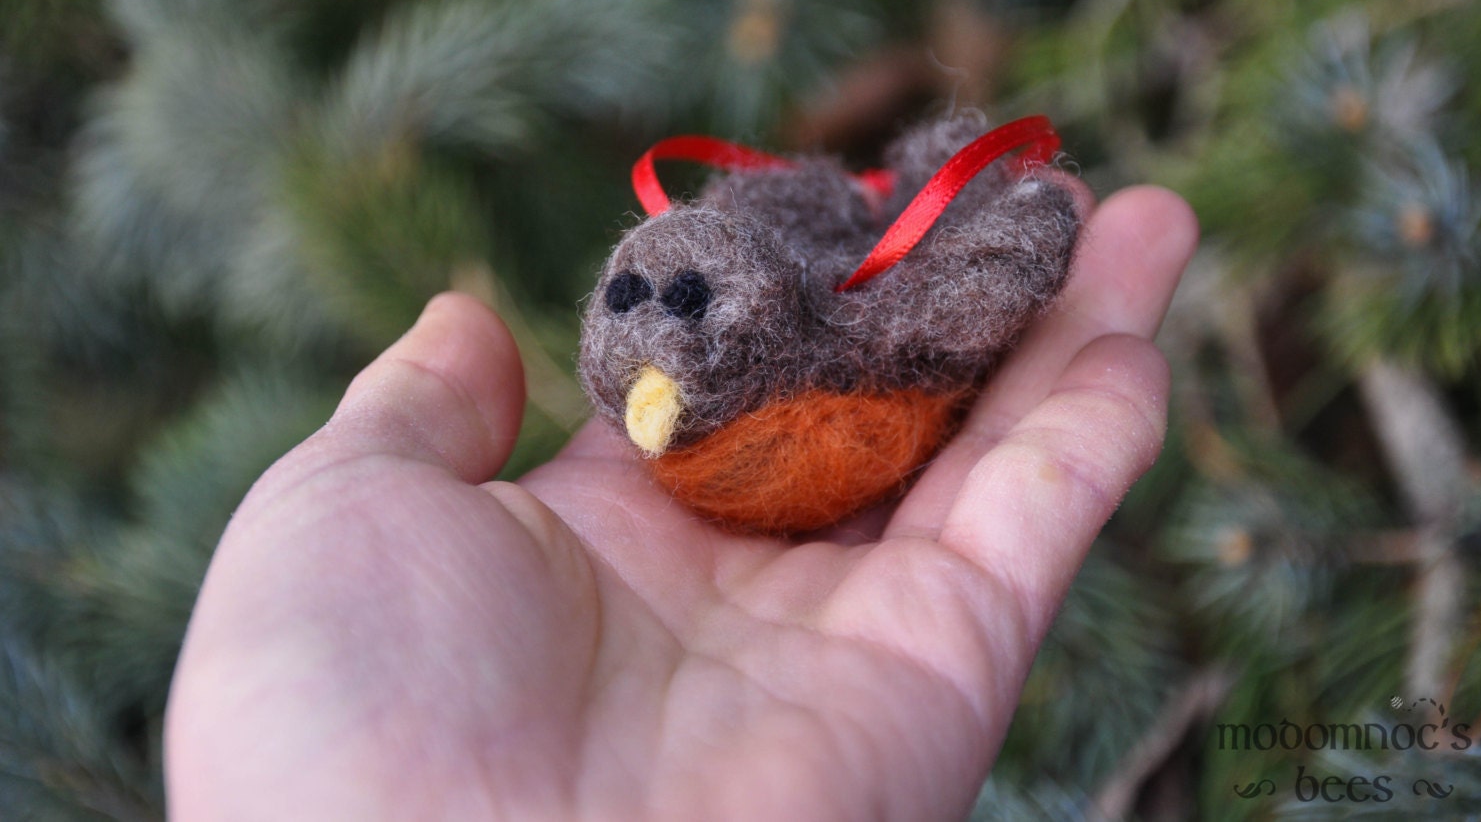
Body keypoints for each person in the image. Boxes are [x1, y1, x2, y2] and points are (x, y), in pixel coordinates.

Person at [164, 184, 1197, 820]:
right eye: (630, 302)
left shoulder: (843, 359)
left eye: (679, 301)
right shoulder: (712, 413)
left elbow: (933, 309)